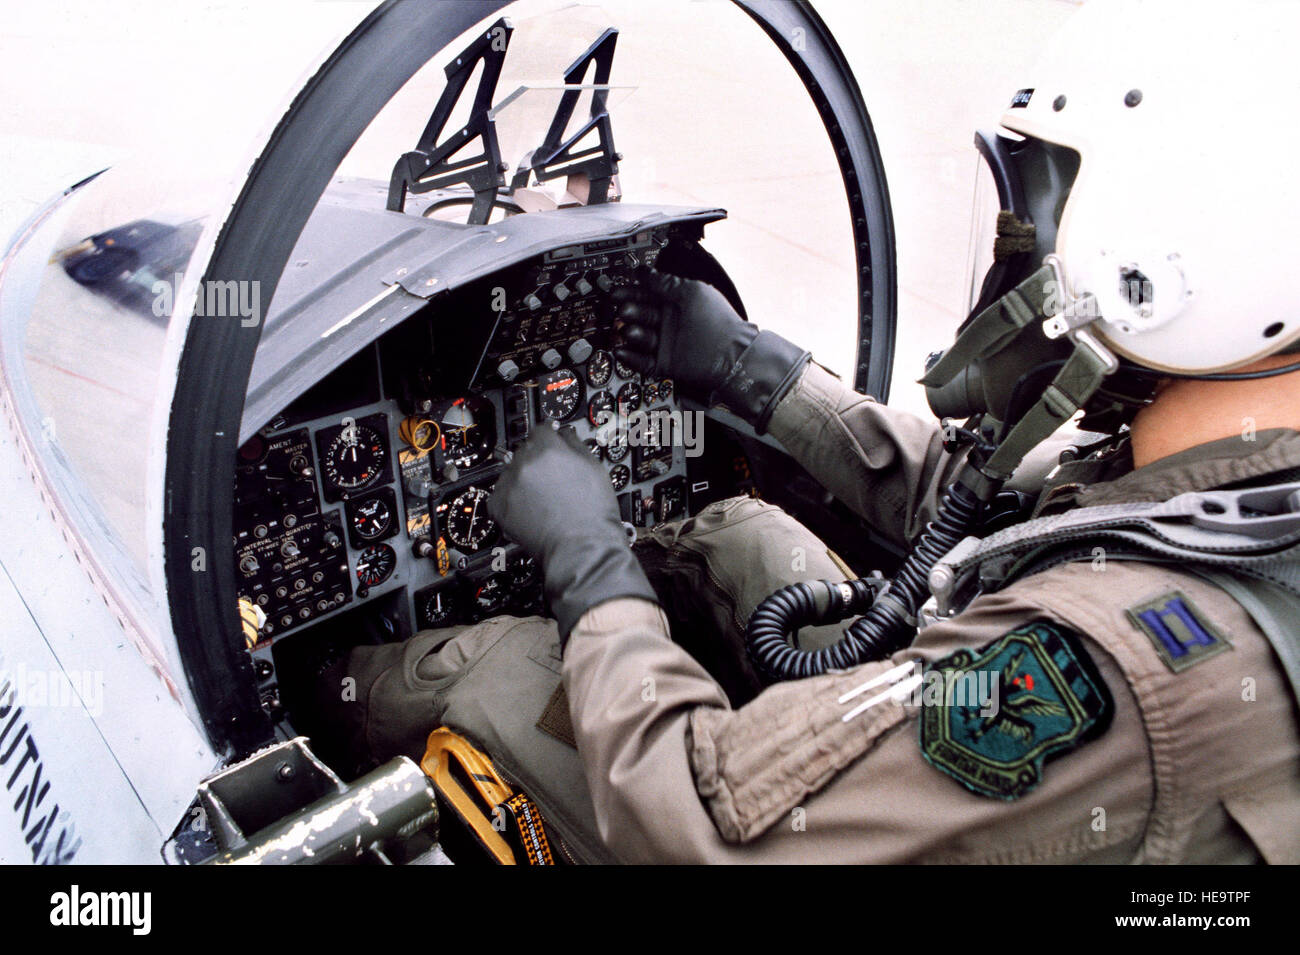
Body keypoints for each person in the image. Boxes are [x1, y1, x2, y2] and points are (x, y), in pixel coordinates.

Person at [318, 0, 1300, 863]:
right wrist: (754, 367)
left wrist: (589, 566)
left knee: (494, 666)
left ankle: (301, 707)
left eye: (1038, 213)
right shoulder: (1224, 480)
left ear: (1160, 270)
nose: (1022, 252)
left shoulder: (1109, 674)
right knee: (735, 529)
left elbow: (701, 826)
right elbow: (992, 500)